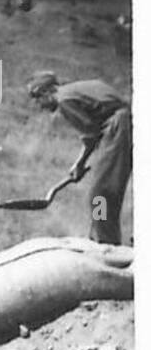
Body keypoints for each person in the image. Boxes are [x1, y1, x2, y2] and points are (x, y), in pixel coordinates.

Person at [26, 72, 131, 244]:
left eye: (37, 100)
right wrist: (80, 164)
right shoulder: (73, 90)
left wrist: (79, 163)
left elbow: (91, 134)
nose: (39, 106)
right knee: (103, 192)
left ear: (45, 92)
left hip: (119, 127)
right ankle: (101, 237)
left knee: (100, 193)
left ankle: (105, 243)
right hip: (122, 125)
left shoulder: (64, 100)